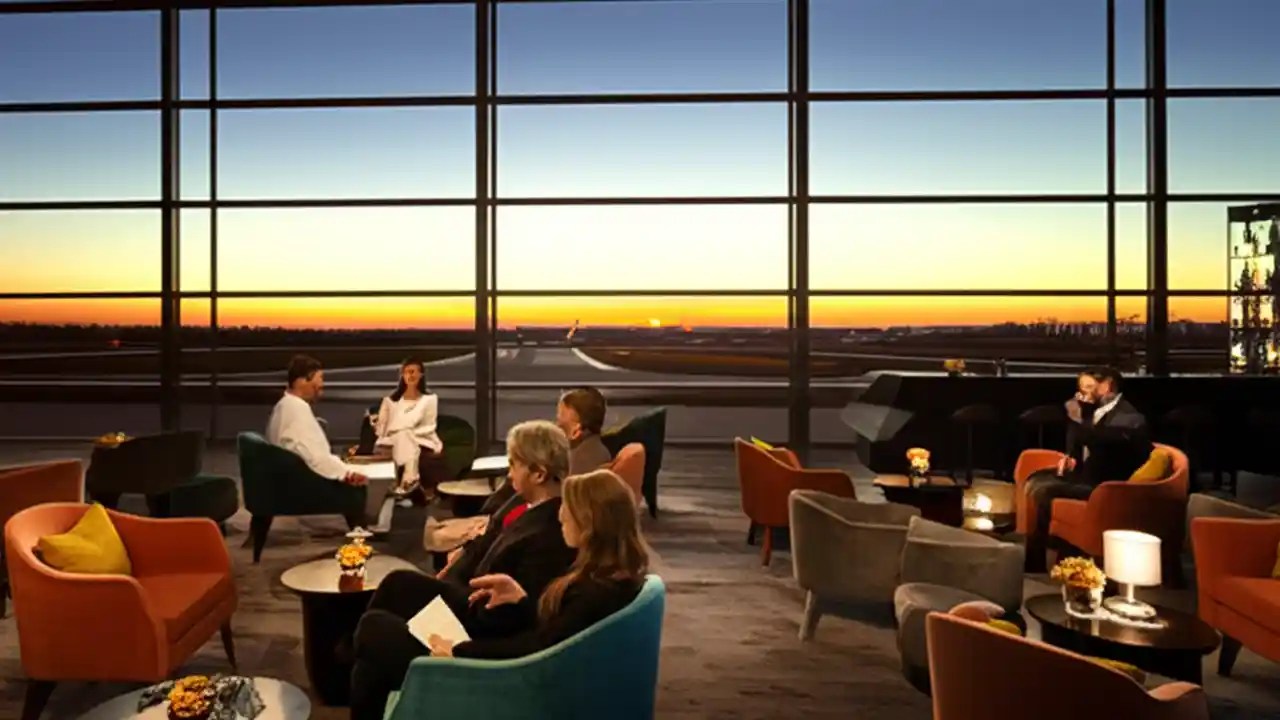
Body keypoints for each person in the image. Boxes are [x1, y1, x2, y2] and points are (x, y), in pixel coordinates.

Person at [349, 467, 649, 720]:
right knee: (397, 595)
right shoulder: (611, 575)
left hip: (499, 678)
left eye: (567, 511)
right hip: (513, 653)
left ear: (589, 524)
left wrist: (456, 651)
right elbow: (555, 633)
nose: (560, 517)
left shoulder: (594, 592)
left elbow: (536, 653)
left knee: (373, 629)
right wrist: (521, 601)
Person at [349, 420, 578, 720]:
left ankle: (362, 665)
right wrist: (459, 560)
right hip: (468, 592)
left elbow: (510, 617)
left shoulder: (550, 533)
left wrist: (454, 635)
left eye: (515, 464)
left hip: (478, 624)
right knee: (396, 584)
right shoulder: (521, 501)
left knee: (372, 630)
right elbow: (486, 536)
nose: (509, 473)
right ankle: (367, 666)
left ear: (539, 473)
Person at [1024, 366, 1152, 569]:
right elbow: (1080, 441)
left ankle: (1039, 559)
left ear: (1107, 386)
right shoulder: (1096, 411)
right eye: (1081, 388)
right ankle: (1053, 552)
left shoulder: (1128, 417)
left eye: (1088, 387)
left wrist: (1079, 416)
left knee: (1045, 489)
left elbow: (1097, 439)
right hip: (1086, 475)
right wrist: (1070, 456)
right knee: (1036, 478)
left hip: (1107, 484)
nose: (1082, 394)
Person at [265, 355, 394, 532]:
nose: (322, 385)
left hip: (290, 476)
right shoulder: (296, 409)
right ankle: (361, 532)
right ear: (304, 380)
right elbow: (314, 457)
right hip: (300, 483)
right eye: (320, 379)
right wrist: (346, 473)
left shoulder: (285, 405)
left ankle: (361, 529)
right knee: (362, 483)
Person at [369, 357, 444, 499]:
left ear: (421, 375)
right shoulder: (390, 401)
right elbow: (382, 431)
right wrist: (377, 423)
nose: (411, 375)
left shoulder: (429, 400)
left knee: (405, 435)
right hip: (392, 439)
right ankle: (410, 481)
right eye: (407, 372)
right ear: (402, 375)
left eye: (414, 372)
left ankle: (404, 483)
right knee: (403, 436)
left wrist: (404, 429)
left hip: (421, 438)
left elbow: (429, 426)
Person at [557, 387, 613, 474]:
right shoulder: (596, 450)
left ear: (576, 430)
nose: (557, 423)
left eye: (561, 415)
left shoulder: (582, 460)